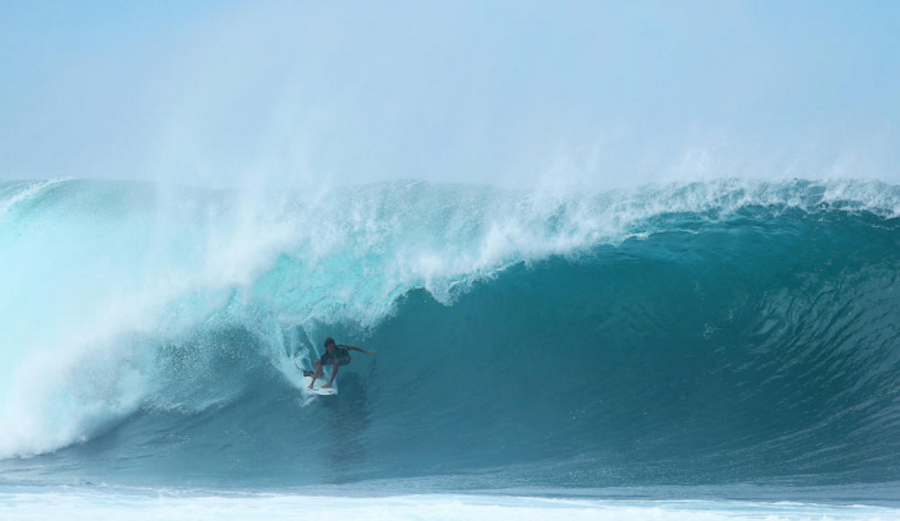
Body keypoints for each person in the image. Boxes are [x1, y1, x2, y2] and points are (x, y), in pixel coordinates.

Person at [308, 337, 375, 389]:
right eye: (331, 347)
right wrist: (312, 384)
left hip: (346, 359)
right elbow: (319, 366)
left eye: (333, 346)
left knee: (335, 361)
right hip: (334, 359)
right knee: (316, 362)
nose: (333, 348)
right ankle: (321, 375)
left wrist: (366, 352)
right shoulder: (325, 355)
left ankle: (330, 382)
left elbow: (352, 347)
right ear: (327, 347)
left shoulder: (340, 348)